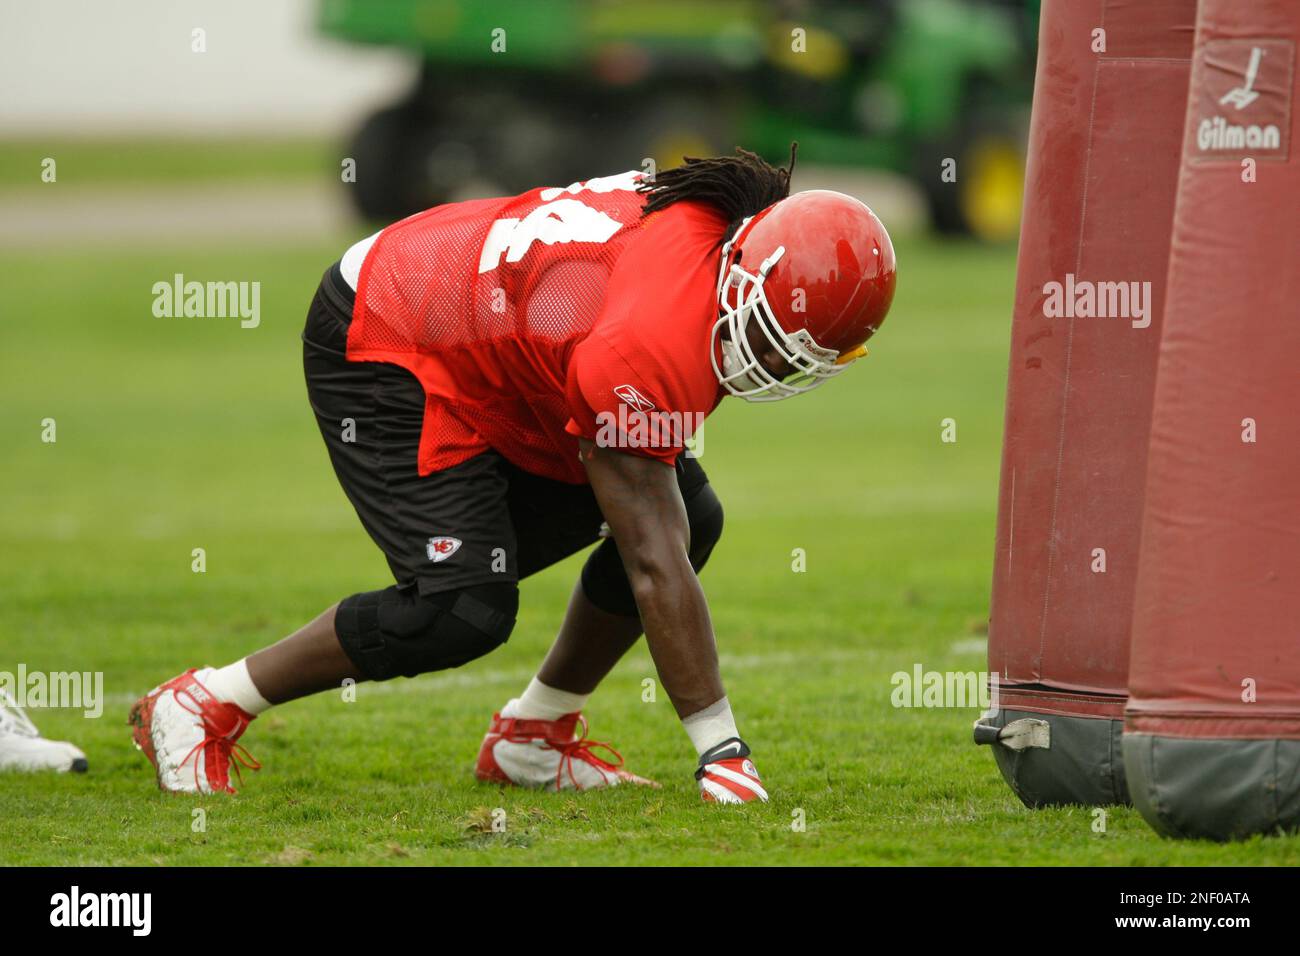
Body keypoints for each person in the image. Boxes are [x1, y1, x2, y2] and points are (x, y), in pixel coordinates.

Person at [129, 147, 897, 803]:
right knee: (462, 606)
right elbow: (653, 562)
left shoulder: (721, 240)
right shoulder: (650, 342)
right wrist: (721, 748)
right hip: (389, 337)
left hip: (499, 344)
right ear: (740, 269)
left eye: (795, 358)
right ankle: (206, 703)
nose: (764, 366)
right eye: (765, 338)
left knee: (684, 516)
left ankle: (534, 734)